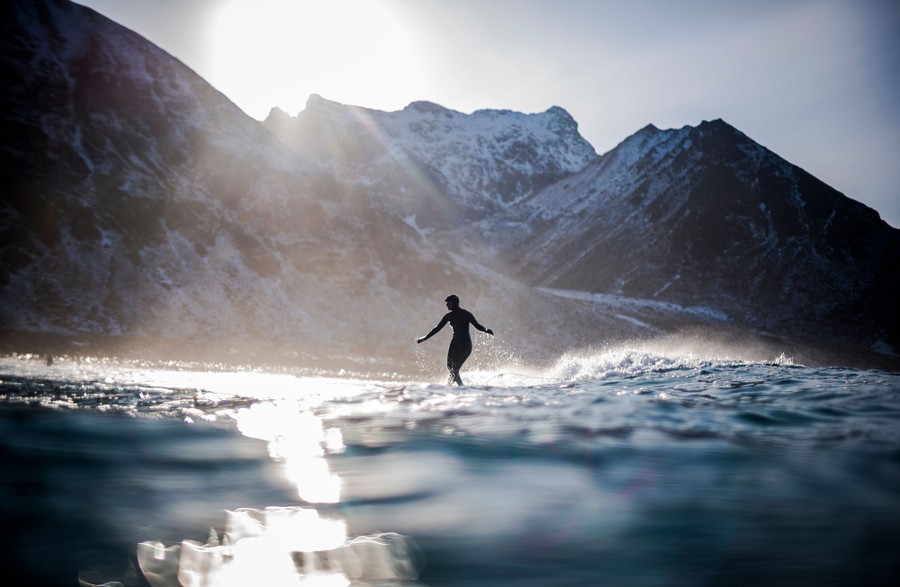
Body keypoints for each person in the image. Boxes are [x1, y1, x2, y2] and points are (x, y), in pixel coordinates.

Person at [417, 294, 494, 385]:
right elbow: (437, 328)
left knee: (455, 369)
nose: (447, 305)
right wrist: (425, 338)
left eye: (448, 303)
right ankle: (452, 386)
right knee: (450, 366)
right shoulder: (448, 316)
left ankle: (458, 386)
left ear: (454, 303)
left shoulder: (466, 314)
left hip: (465, 345)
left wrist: (486, 330)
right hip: (455, 344)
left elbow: (477, 326)